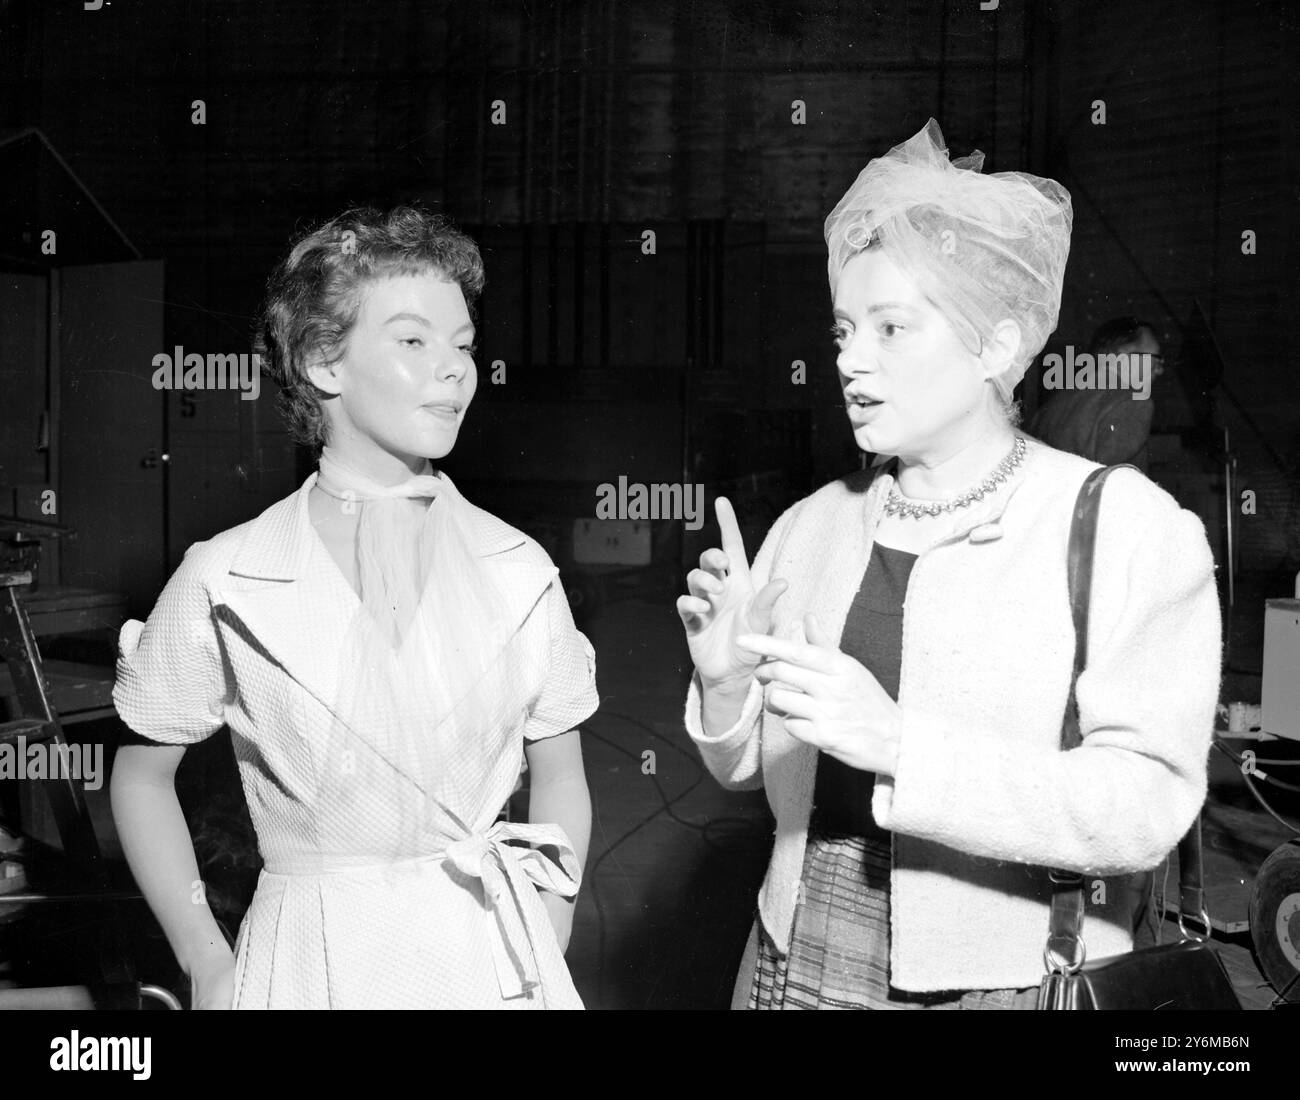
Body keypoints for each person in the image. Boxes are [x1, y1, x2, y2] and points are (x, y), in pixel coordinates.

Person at [677, 120, 1220, 1009]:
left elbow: (1147, 805)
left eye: (893, 328)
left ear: (997, 346)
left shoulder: (1124, 528)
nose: (851, 360)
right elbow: (756, 773)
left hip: (996, 977)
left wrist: (901, 747)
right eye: (846, 328)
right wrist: (729, 687)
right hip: (794, 948)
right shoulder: (816, 525)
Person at [110, 207, 598, 1009]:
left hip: (491, 965)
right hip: (310, 964)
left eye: (464, 345)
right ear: (322, 361)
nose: (455, 370)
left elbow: (561, 773)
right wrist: (206, 959)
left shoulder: (519, 569)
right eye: (413, 341)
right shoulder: (227, 577)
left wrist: (552, 926)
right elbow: (139, 779)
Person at [1029, 316, 1166, 473]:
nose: (1159, 370)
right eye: (1155, 359)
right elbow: (1108, 485)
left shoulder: (1056, 402)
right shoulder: (1134, 403)